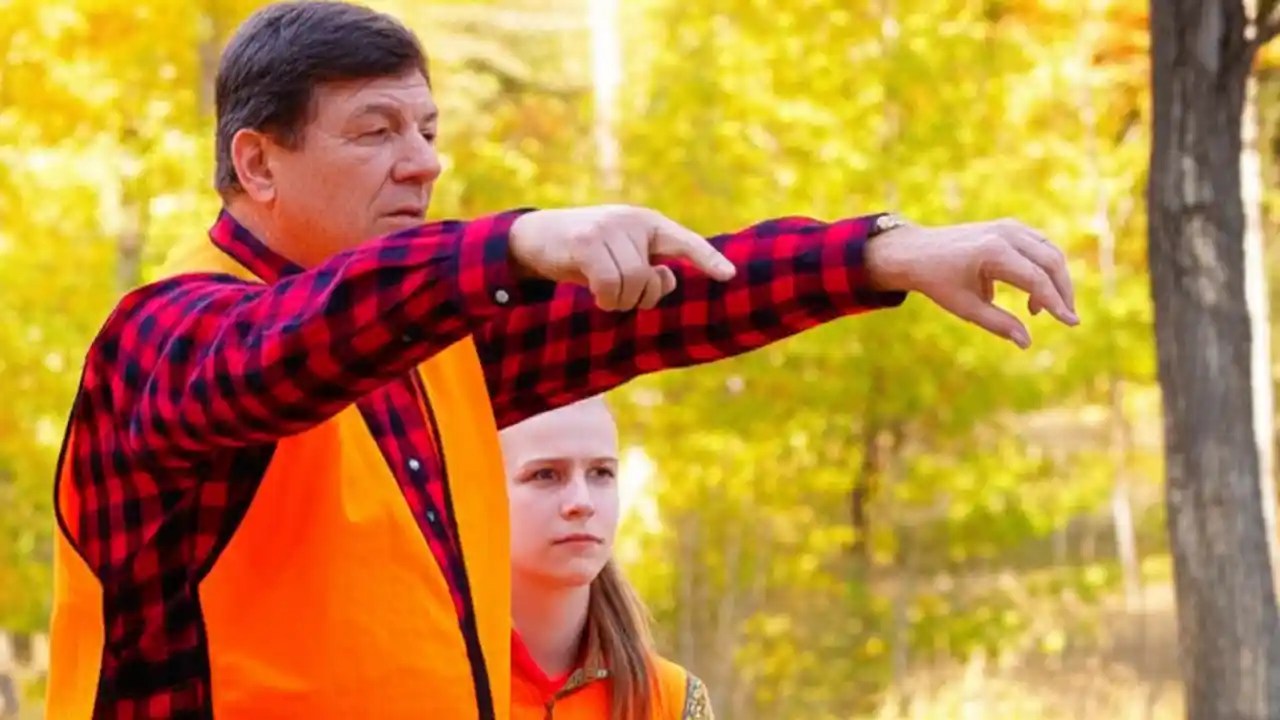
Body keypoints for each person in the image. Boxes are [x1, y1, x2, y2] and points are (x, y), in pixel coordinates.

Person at [44, 2, 1078, 719]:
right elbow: (278, 354)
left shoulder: (432, 336)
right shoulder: (164, 339)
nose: (424, 160)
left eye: (428, 127)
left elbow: (670, 301)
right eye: (375, 131)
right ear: (256, 163)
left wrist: (878, 252)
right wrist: (513, 243)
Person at [502, 397, 712, 720]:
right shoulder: (435, 681)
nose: (581, 502)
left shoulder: (669, 701)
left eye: (601, 473)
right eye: (545, 474)